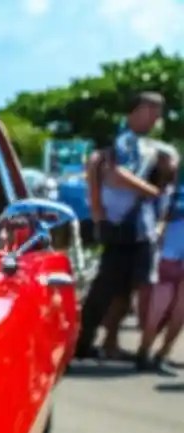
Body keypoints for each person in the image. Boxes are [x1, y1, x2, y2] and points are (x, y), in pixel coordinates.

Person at [74, 92, 168, 361]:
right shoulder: (123, 141)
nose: (154, 117)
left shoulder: (147, 146)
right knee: (105, 288)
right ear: (134, 111)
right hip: (120, 225)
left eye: (157, 111)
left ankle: (108, 342)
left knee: (124, 289)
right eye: (149, 110)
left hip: (137, 227)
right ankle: (83, 341)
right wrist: (152, 192)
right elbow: (115, 176)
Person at [137, 155, 183, 369]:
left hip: (170, 252)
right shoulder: (171, 192)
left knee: (178, 310)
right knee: (161, 308)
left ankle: (158, 354)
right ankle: (147, 353)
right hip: (169, 254)